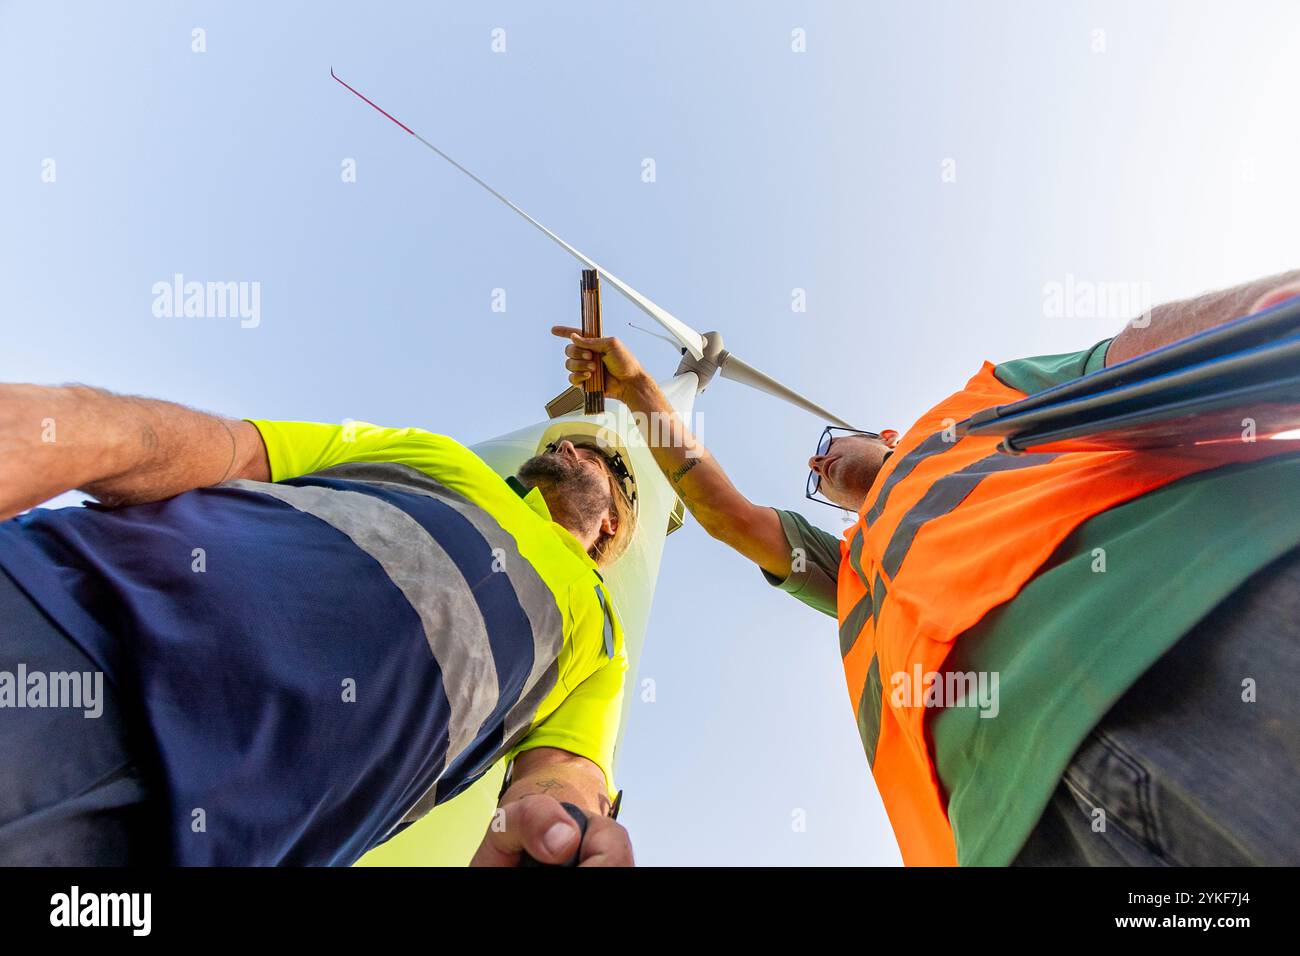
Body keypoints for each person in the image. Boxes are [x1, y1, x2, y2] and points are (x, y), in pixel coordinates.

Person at [555, 268, 1300, 866]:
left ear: (883, 434)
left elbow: (1135, 352)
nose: (819, 463)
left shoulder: (974, 409)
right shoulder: (849, 573)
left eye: (830, 447)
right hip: (1015, 832)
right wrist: (639, 394)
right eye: (815, 476)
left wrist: (1278, 314)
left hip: (1207, 626)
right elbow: (731, 517)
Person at [0, 384, 636, 866]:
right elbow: (230, 448)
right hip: (67, 612)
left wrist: (556, 821)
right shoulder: (440, 455)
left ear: (613, 523)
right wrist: (48, 429)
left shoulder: (603, 633)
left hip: (217, 837)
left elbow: (562, 770)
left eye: (595, 459)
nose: (565, 443)